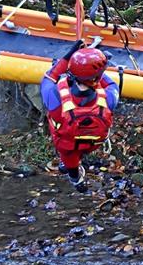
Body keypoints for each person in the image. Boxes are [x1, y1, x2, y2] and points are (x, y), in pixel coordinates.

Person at [40, 41, 119, 192]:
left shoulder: (55, 98)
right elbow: (110, 84)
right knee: (80, 148)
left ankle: (75, 179)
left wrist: (68, 57)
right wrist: (94, 69)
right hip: (93, 143)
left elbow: (49, 78)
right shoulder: (109, 99)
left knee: (70, 160)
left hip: (66, 145)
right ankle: (74, 174)